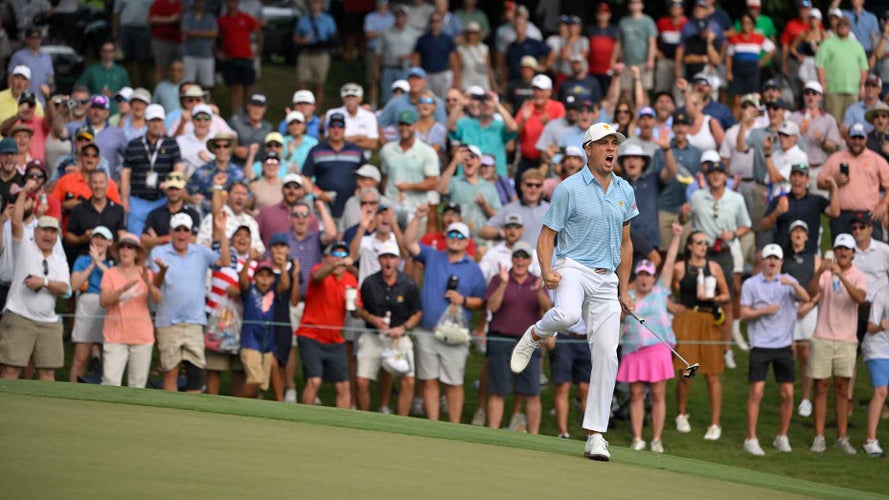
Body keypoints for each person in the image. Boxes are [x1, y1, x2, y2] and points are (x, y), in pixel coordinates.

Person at [509, 122, 637, 461]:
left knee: (608, 354)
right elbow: (546, 235)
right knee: (565, 315)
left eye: (615, 143)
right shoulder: (568, 188)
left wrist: (624, 289)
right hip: (572, 267)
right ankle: (536, 333)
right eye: (604, 143)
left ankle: (596, 434)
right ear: (588, 149)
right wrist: (546, 269)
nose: (611, 148)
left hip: (607, 278)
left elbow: (626, 244)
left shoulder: (625, 190)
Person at [403, 207, 486, 422]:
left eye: (460, 236)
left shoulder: (474, 268)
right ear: (446, 237)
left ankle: (454, 426)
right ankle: (434, 425)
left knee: (454, 382)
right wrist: (417, 217)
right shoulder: (433, 255)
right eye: (452, 234)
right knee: (429, 380)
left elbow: (481, 302)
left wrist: (464, 300)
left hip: (455, 334)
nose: (455, 239)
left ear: (467, 241)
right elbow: (408, 243)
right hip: (427, 330)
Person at [739, 243, 811, 456]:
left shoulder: (788, 282)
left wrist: (794, 286)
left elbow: (806, 298)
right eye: (769, 258)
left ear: (781, 262)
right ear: (762, 261)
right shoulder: (751, 284)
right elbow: (743, 313)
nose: (772, 262)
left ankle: (782, 436)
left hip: (783, 345)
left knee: (788, 393)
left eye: (776, 259)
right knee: (757, 392)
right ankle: (750, 439)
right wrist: (764, 311)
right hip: (760, 344)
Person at [150, 207, 230, 393]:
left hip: (194, 322)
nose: (181, 234)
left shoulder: (200, 252)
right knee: (171, 372)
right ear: (171, 232)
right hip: (168, 322)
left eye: (185, 230)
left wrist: (222, 231)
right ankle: (170, 417)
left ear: (190, 233)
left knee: (195, 374)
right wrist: (162, 271)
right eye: (177, 230)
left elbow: (225, 261)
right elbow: (155, 284)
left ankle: (191, 418)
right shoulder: (159, 252)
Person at [620, 224, 682, 453]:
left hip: (658, 349)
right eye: (641, 275)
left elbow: (669, 263)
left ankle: (656, 439)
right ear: (636, 277)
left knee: (657, 394)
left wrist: (676, 237)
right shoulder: (628, 296)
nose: (645, 279)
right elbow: (617, 317)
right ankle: (638, 438)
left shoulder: (660, 291)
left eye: (648, 275)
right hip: (634, 350)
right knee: (636, 395)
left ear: (654, 278)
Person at [0, 183, 71, 380]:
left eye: (52, 231)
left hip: (48, 321)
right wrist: (24, 192)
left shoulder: (60, 259)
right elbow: (15, 223)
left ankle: (46, 411)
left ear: (57, 235)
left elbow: (65, 288)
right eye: (44, 230)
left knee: (48, 372)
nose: (48, 235)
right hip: (19, 316)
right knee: (10, 370)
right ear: (35, 232)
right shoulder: (24, 246)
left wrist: (44, 282)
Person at [484, 241, 551, 433]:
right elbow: (492, 307)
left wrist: (539, 291)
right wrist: (504, 284)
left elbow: (547, 309)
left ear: (530, 260)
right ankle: (492, 433)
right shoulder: (499, 279)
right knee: (497, 389)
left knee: (532, 391)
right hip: (501, 339)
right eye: (517, 256)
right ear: (512, 258)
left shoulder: (537, 280)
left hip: (529, 342)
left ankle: (534, 436)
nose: (520, 260)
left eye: (524, 256)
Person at [808, 233, 867, 454]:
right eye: (839, 248)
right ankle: (819, 437)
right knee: (821, 387)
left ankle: (842, 437)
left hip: (846, 340)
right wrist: (819, 271)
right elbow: (811, 292)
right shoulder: (825, 273)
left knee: (842, 389)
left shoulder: (858, 276)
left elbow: (859, 298)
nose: (842, 252)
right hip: (822, 336)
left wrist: (841, 276)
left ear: (853, 253)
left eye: (847, 249)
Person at [356, 241, 422, 416]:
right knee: (362, 381)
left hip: (398, 337)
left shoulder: (408, 284)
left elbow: (417, 313)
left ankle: (402, 422)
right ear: (379, 259)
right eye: (385, 257)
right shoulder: (369, 283)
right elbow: (360, 310)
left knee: (408, 380)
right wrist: (372, 318)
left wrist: (403, 328)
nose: (388, 261)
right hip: (373, 335)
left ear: (398, 260)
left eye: (392, 257)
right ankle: (364, 418)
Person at [296, 240, 360, 408]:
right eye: (336, 254)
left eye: (343, 255)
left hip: (334, 340)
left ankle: (342, 427)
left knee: (344, 386)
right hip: (310, 335)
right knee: (314, 381)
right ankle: (303, 422)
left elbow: (355, 313)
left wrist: (356, 307)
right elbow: (317, 277)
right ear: (328, 257)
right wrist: (336, 265)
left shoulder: (351, 279)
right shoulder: (319, 270)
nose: (340, 258)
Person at [99, 233, 161, 387]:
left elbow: (158, 300)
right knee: (110, 382)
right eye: (122, 247)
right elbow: (103, 302)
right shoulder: (110, 273)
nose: (125, 250)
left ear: (136, 252)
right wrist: (122, 290)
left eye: (130, 247)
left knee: (138, 386)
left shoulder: (146, 273)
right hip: (115, 336)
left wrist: (150, 284)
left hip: (142, 336)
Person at [817, 123, 889, 241]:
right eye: (854, 137)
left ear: (866, 139)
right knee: (841, 255)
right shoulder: (836, 158)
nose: (857, 141)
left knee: (871, 255)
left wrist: (884, 204)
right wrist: (835, 182)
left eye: (860, 138)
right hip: (842, 216)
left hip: (868, 216)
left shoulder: (876, 159)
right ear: (848, 138)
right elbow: (819, 182)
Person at [121, 104, 184, 236]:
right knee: (135, 239)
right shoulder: (134, 144)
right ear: (146, 122)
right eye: (152, 121)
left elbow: (178, 167)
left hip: (162, 200)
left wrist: (171, 183)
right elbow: (126, 173)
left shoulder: (171, 143)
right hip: (137, 201)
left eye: (159, 120)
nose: (156, 124)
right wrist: (124, 199)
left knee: (161, 238)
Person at [780, 220, 822, 419]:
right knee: (789, 353)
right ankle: (788, 394)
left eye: (801, 231)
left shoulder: (814, 258)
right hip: (787, 308)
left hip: (808, 308)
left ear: (806, 236)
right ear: (790, 235)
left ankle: (805, 398)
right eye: (795, 230)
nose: (798, 234)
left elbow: (822, 287)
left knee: (806, 355)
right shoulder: (783, 257)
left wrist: (811, 304)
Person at [236, 259, 280, 398]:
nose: (264, 280)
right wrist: (249, 259)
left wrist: (284, 266)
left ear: (273, 279)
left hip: (267, 345)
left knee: (262, 386)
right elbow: (242, 281)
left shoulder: (273, 292)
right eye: (261, 275)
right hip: (250, 343)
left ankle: (253, 414)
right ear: (255, 277)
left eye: (268, 276)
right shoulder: (249, 291)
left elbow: (285, 284)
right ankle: (235, 408)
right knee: (256, 379)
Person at [816, 16, 868, 123]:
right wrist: (823, 84)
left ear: (849, 28)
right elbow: (819, 65)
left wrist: (862, 86)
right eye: (840, 25)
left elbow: (864, 68)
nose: (843, 28)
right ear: (836, 27)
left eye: (845, 25)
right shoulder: (827, 44)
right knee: (833, 122)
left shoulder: (857, 45)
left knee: (851, 123)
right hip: (832, 90)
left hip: (853, 91)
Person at [217, 0, 260, 116]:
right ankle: (235, 114)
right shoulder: (222, 20)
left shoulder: (246, 18)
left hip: (246, 58)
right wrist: (218, 52)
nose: (232, 4)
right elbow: (216, 38)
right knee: (234, 88)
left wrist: (257, 52)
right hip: (230, 58)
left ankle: (249, 112)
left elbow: (258, 33)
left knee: (249, 87)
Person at [293, 0, 337, 108]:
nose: (314, 6)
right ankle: (302, 106)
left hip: (321, 54)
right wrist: (303, 40)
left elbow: (333, 37)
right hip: (306, 53)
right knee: (302, 82)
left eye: (317, 3)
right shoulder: (303, 20)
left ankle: (316, 108)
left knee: (319, 84)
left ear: (321, 5)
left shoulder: (328, 20)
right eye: (312, 3)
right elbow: (295, 38)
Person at [141, 173, 200, 251]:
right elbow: (144, 240)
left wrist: (158, 240)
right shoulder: (155, 213)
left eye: (177, 189)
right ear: (165, 190)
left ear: (183, 190)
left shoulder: (192, 214)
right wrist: (166, 239)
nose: (174, 192)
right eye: (171, 189)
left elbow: (192, 240)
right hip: (160, 256)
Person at [864, 287, 889, 457]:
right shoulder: (883, 293)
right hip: (877, 348)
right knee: (881, 391)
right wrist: (881, 326)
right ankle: (870, 441)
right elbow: (870, 327)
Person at [75, 41, 131, 111]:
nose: (107, 53)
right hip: (95, 108)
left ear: (114, 53)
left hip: (115, 110)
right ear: (101, 53)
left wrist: (113, 95)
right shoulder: (91, 70)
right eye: (105, 51)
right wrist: (93, 95)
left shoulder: (121, 72)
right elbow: (78, 88)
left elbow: (128, 92)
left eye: (110, 51)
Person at [181, 0, 218, 93]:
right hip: (189, 54)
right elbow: (186, 31)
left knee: (207, 84)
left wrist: (196, 32)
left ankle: (206, 104)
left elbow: (214, 33)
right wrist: (205, 33)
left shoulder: (210, 17)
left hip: (206, 54)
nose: (200, 3)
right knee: (188, 83)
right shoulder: (188, 16)